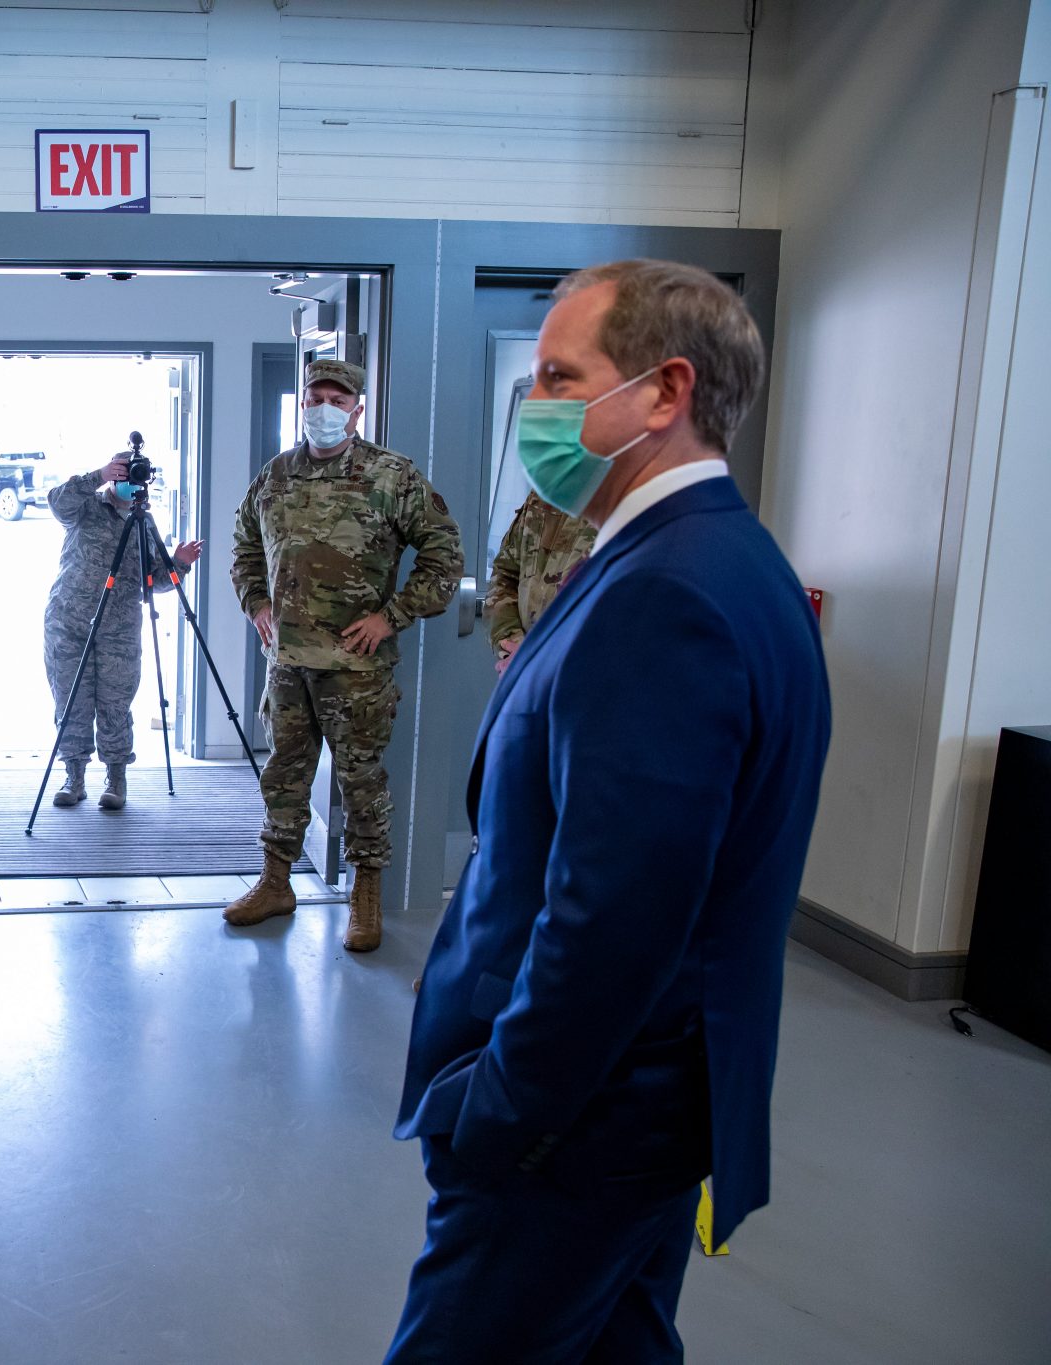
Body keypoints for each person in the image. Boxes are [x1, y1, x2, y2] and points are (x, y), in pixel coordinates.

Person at [385, 260, 831, 1362]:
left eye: (556, 376)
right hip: (639, 1109)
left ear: (663, 392)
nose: (532, 408)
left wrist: (502, 1114)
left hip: (577, 1123)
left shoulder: (664, 596)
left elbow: (613, 918)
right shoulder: (711, 556)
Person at [224, 358, 464, 952]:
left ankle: (366, 895)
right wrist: (257, 603)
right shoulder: (275, 476)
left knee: (360, 782)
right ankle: (276, 881)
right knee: (283, 774)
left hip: (357, 671)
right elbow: (244, 547)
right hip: (288, 665)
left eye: (337, 398)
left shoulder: (392, 476)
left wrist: (392, 616)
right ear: (302, 404)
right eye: (315, 397)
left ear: (356, 410)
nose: (323, 407)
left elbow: (444, 559)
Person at [42, 452, 202, 810]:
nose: (132, 482)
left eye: (138, 477)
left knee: (115, 704)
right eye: (125, 474)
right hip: (69, 624)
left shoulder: (144, 524)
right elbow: (56, 500)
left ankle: (116, 779)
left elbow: (157, 581)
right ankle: (74, 777)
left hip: (119, 628)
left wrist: (179, 563)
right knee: (71, 703)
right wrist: (97, 474)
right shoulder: (85, 507)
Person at [485, 488, 597, 675]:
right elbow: (505, 574)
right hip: (526, 678)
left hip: (584, 679)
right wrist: (517, 649)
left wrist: (538, 660)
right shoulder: (546, 491)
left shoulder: (627, 504)